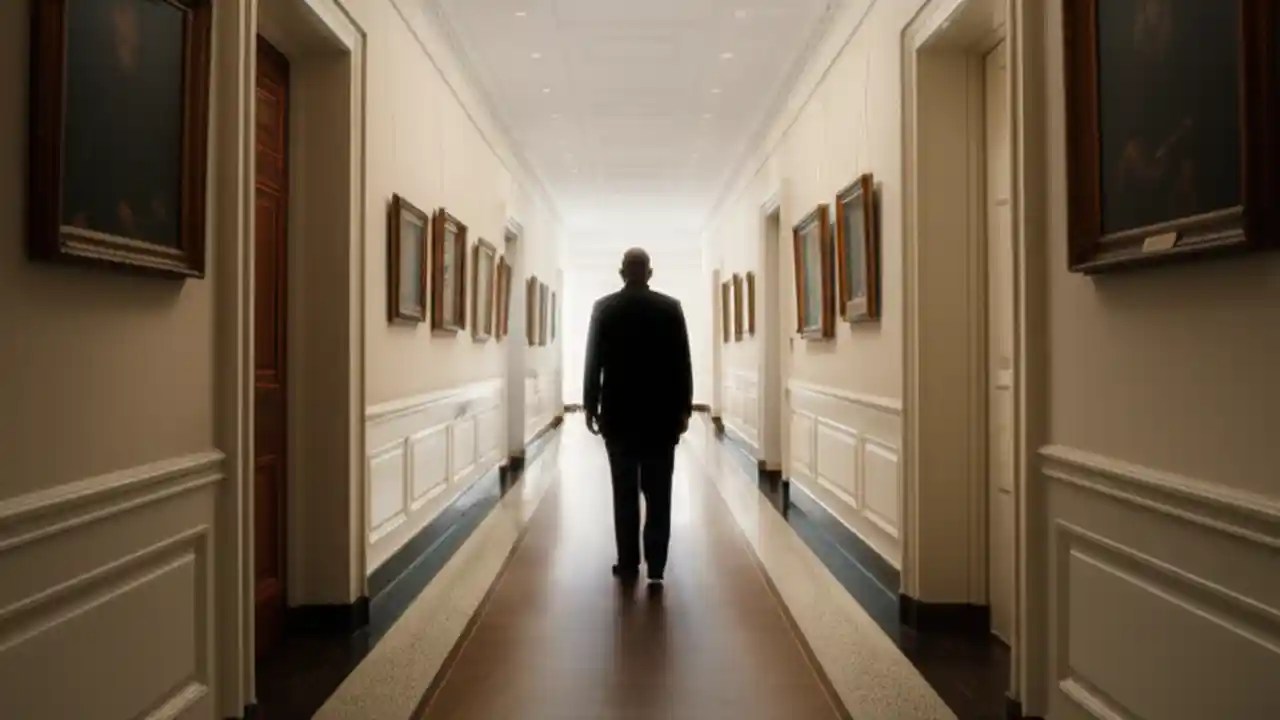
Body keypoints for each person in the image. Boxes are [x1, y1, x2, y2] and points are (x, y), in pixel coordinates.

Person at [583, 248, 694, 584]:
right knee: (659, 493)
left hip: (618, 416)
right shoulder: (669, 308)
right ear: (649, 273)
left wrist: (590, 404)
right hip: (661, 418)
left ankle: (628, 561)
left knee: (624, 491)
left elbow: (593, 362)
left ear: (621, 273)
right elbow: (682, 363)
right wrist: (684, 408)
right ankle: (657, 565)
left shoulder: (604, 308)